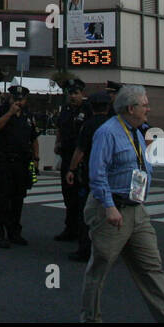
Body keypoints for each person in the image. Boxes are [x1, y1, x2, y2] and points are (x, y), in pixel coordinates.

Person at [80, 84, 164, 323]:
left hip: (136, 209)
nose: (149, 108)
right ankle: (90, 319)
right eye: (144, 104)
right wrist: (108, 206)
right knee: (99, 270)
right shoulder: (108, 133)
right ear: (131, 108)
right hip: (113, 210)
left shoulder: (137, 131)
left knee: (151, 267)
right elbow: (97, 173)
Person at [66, 89, 114, 262]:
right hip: (111, 175)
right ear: (108, 107)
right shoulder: (115, 124)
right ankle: (109, 250)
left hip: (90, 174)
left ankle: (85, 249)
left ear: (91, 107)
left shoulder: (88, 125)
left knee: (86, 213)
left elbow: (80, 150)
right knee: (108, 212)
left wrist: (71, 170)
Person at [0, 86, 39, 248]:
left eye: (21, 99)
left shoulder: (28, 115)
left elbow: (34, 138)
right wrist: (9, 113)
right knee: (2, 198)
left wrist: (36, 159)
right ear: (10, 98)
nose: (18, 102)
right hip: (4, 161)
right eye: (15, 99)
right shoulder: (1, 110)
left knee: (18, 198)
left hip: (22, 162)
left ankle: (14, 231)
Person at [55, 80, 88, 242]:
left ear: (82, 94)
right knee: (68, 194)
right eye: (71, 93)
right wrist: (57, 143)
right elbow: (60, 128)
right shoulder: (66, 109)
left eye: (76, 93)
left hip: (81, 158)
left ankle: (82, 230)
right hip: (67, 156)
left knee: (80, 196)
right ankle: (70, 228)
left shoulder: (87, 109)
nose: (73, 96)